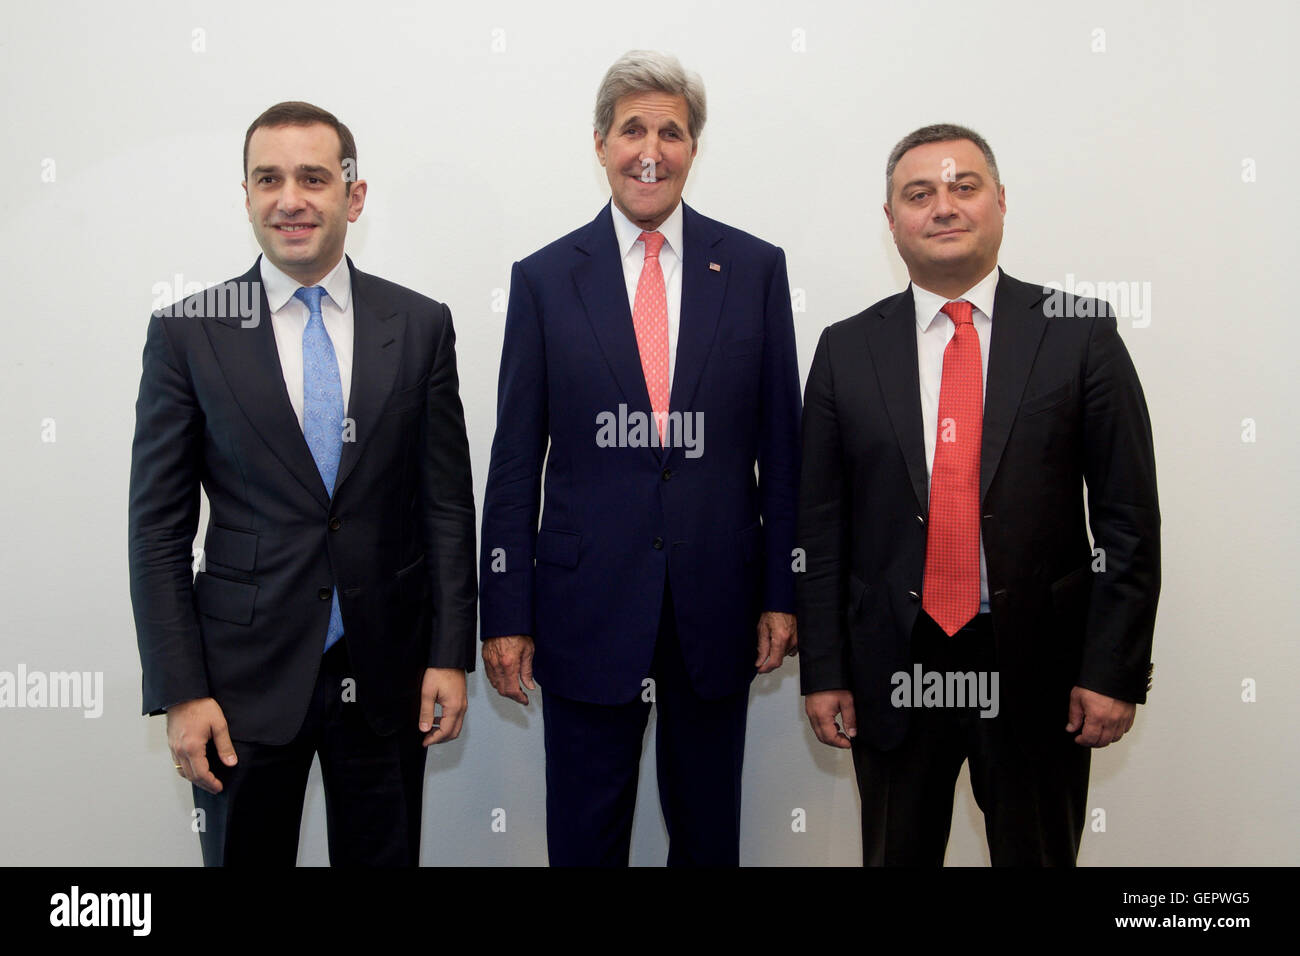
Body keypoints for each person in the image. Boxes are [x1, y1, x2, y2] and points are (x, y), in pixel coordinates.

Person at [797, 123, 1160, 865]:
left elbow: (1128, 520)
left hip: (1038, 667)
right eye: (919, 193)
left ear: (999, 202)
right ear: (892, 219)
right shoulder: (845, 348)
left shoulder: (1078, 334)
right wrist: (826, 670)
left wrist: (1111, 669)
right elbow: (820, 527)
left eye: (964, 187)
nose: (944, 206)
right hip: (895, 663)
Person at [128, 101, 477, 866]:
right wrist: (182, 692)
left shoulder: (419, 326)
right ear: (248, 196)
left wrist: (450, 653)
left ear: (353, 195)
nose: (291, 198)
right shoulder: (189, 332)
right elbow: (157, 531)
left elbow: (447, 507)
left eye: (313, 177)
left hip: (387, 675)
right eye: (269, 179)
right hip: (238, 688)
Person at [479, 51, 802, 866]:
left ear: (694, 148)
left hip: (718, 607)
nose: (650, 148)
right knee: (585, 843)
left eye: (671, 131)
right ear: (600, 143)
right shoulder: (545, 280)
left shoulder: (756, 270)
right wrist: (506, 611)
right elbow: (516, 459)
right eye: (632, 129)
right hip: (584, 608)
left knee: (707, 841)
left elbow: (783, 451)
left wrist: (781, 591)